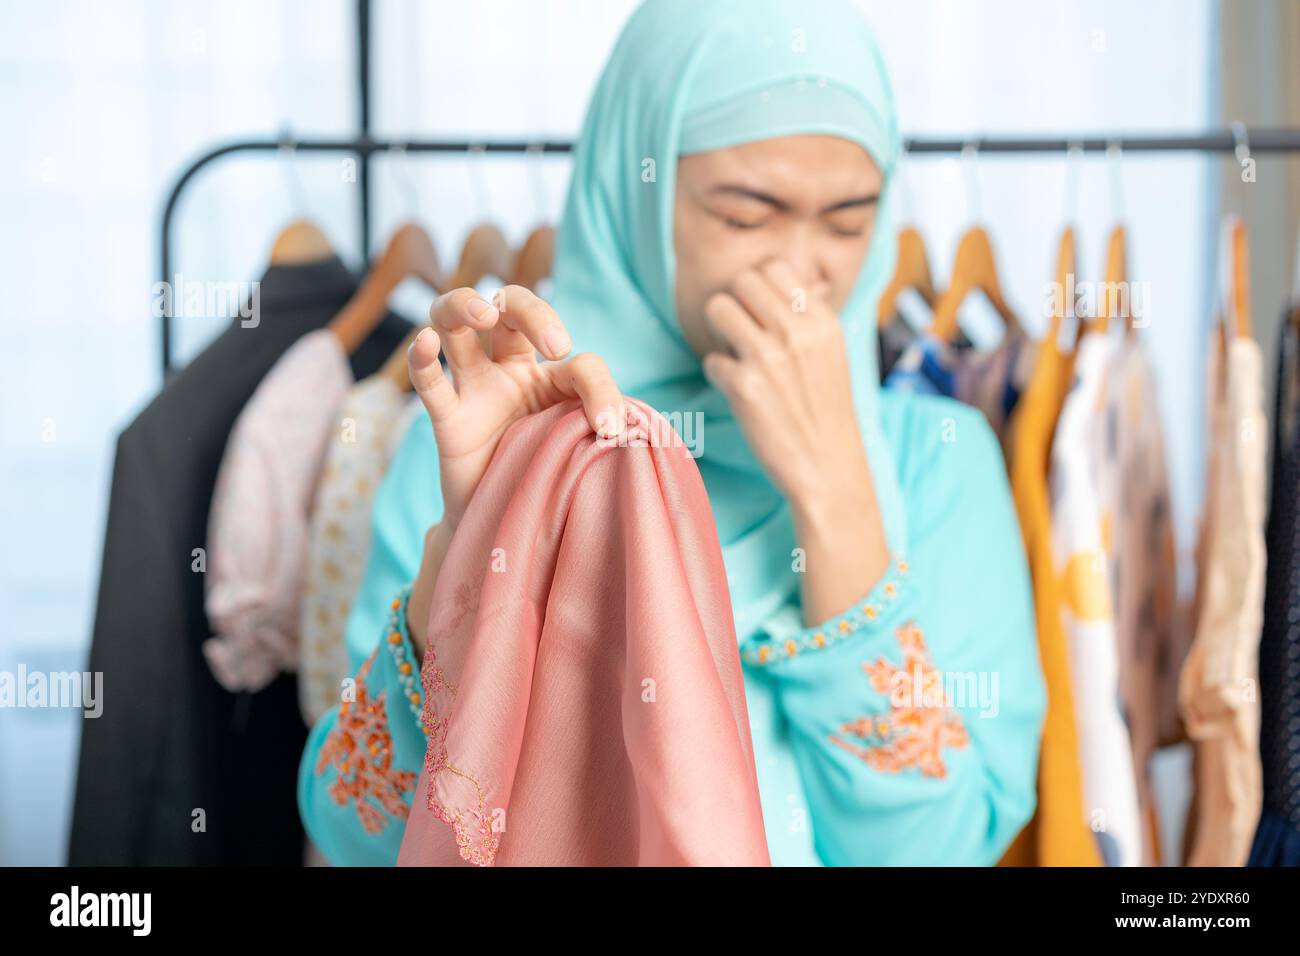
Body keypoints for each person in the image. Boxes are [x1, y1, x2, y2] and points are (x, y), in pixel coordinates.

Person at [299, 0, 1046, 867]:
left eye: (848, 222)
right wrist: (481, 545)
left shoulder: (936, 463)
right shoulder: (493, 429)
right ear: (634, 190)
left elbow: (942, 852)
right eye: (745, 213)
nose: (802, 273)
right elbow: (356, 832)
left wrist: (837, 495)